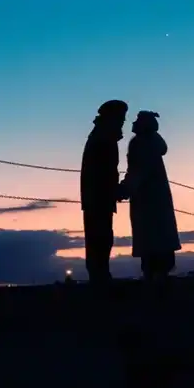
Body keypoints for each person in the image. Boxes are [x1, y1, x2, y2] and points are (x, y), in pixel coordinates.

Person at [119, 110, 181, 283]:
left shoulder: (140, 144)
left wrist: (124, 189)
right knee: (160, 241)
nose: (133, 123)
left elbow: (137, 171)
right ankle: (159, 277)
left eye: (137, 120)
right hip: (156, 199)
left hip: (146, 201)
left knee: (151, 243)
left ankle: (154, 281)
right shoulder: (152, 143)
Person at [80, 99, 128, 285]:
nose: (123, 123)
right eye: (121, 119)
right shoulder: (103, 138)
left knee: (100, 238)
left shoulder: (102, 136)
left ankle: (100, 276)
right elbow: (104, 171)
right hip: (99, 197)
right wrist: (116, 190)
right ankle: (100, 278)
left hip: (98, 197)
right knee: (100, 238)